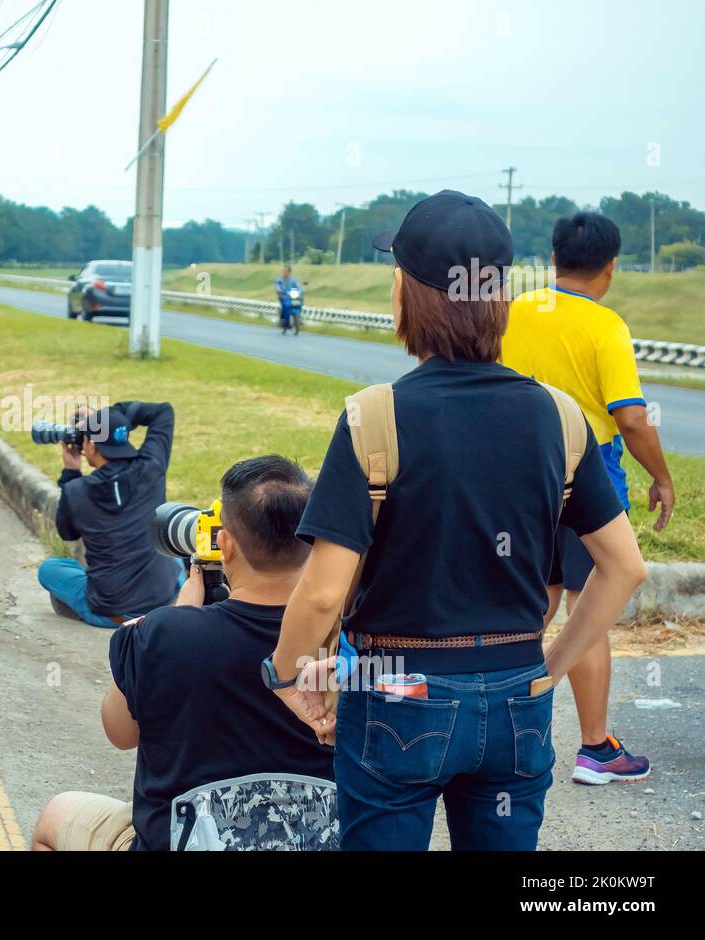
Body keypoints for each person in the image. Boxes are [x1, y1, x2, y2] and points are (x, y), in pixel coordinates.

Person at [266, 191, 648, 851]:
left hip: (395, 691)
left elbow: (325, 592)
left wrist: (287, 673)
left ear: (405, 292)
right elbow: (625, 567)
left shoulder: (374, 416)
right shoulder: (561, 419)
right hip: (517, 698)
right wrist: (550, 667)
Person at [33, 455, 336, 851]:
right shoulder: (345, 643)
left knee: (56, 814)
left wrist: (178, 617)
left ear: (223, 544)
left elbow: (120, 733)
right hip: (313, 840)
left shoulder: (161, 634)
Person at [502, 212, 672, 785]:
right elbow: (629, 416)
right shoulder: (605, 326)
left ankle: (500, 723)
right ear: (612, 266)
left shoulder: (513, 310)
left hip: (517, 471)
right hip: (586, 470)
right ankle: (595, 749)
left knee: (530, 604)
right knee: (588, 607)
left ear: (552, 260)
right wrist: (662, 477)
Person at [37, 402, 182, 628]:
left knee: (49, 569)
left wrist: (71, 471)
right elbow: (163, 411)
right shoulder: (152, 466)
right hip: (164, 602)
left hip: (112, 613)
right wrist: (107, 417)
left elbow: (66, 533)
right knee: (174, 554)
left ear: (92, 446)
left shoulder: (77, 490)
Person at [274, 265, 303, 335]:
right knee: (285, 307)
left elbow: (299, 287)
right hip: (283, 297)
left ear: (289, 272)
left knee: (298, 305)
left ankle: (298, 320)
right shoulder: (279, 280)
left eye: (286, 271)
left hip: (292, 297)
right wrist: (279, 290)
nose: (284, 273)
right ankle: (283, 322)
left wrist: (300, 291)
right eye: (283, 271)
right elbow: (277, 287)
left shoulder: (293, 280)